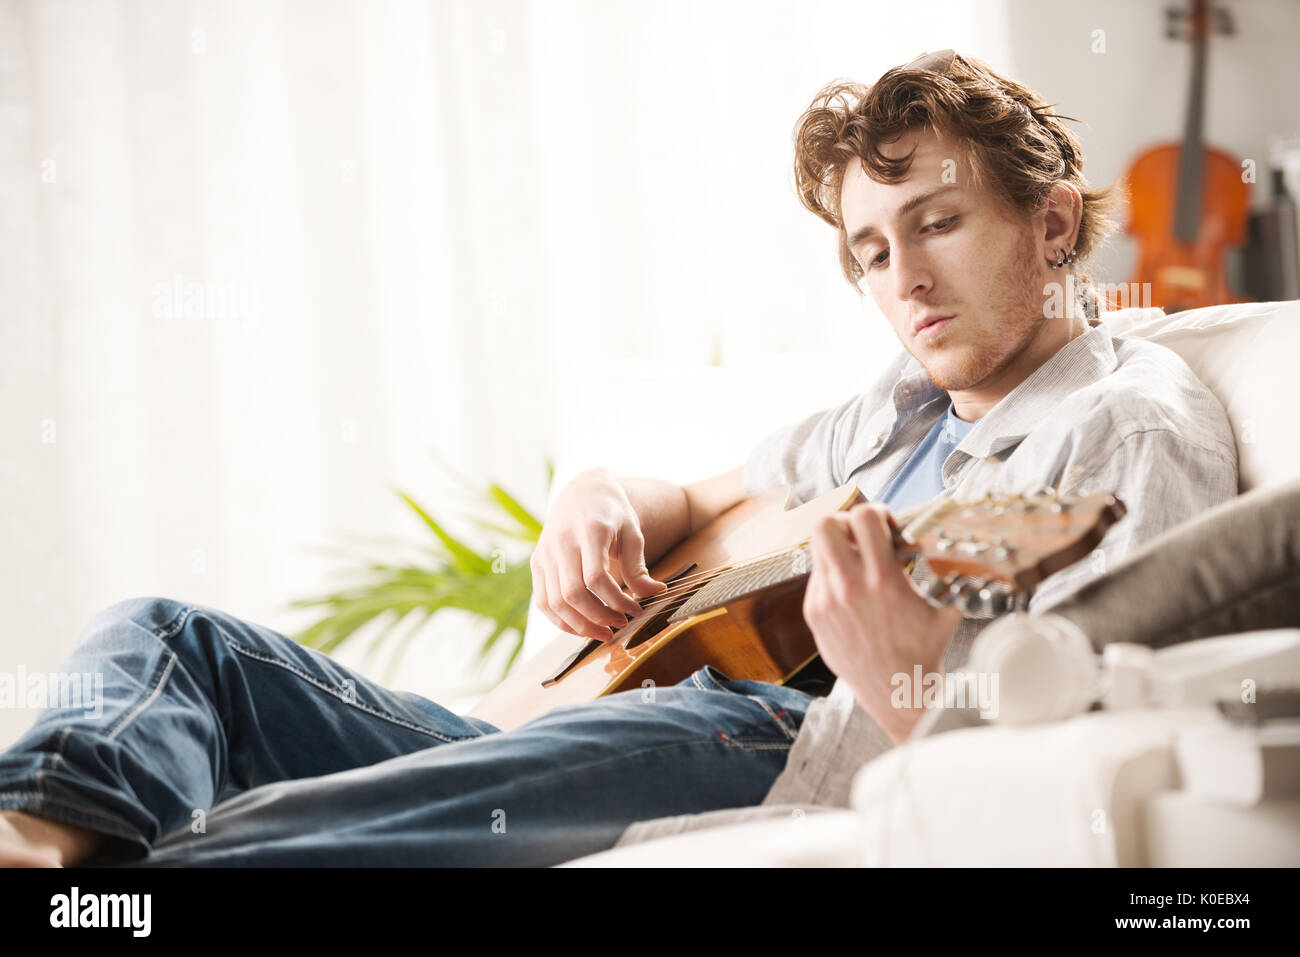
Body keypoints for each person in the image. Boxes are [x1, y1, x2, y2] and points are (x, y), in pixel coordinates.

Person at [0, 50, 1238, 867]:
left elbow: (1114, 718)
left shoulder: (1125, 430)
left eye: (939, 223)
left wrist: (914, 682)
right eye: (869, 250)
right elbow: (706, 498)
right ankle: (47, 839)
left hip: (762, 737)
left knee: (267, 834)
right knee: (170, 641)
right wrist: (598, 501)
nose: (903, 278)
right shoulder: (902, 405)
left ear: (1055, 221)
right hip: (612, 706)